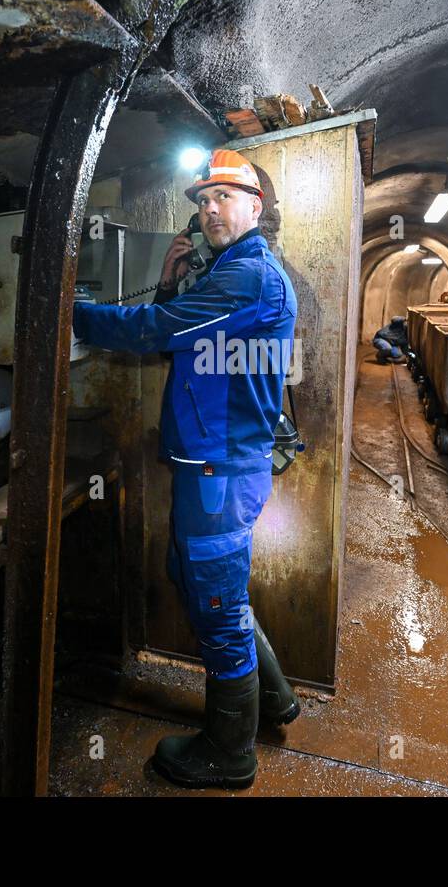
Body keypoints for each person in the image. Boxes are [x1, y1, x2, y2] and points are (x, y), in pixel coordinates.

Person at [71, 148, 300, 789]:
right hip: (210, 466)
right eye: (202, 201)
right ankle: (276, 701)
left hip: (220, 472)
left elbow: (158, 330)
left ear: (254, 206)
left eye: (223, 198)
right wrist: (173, 280)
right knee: (196, 578)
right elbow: (190, 331)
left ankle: (229, 753)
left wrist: (71, 308)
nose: (208, 210)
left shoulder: (250, 276)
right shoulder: (229, 272)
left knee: (217, 603)